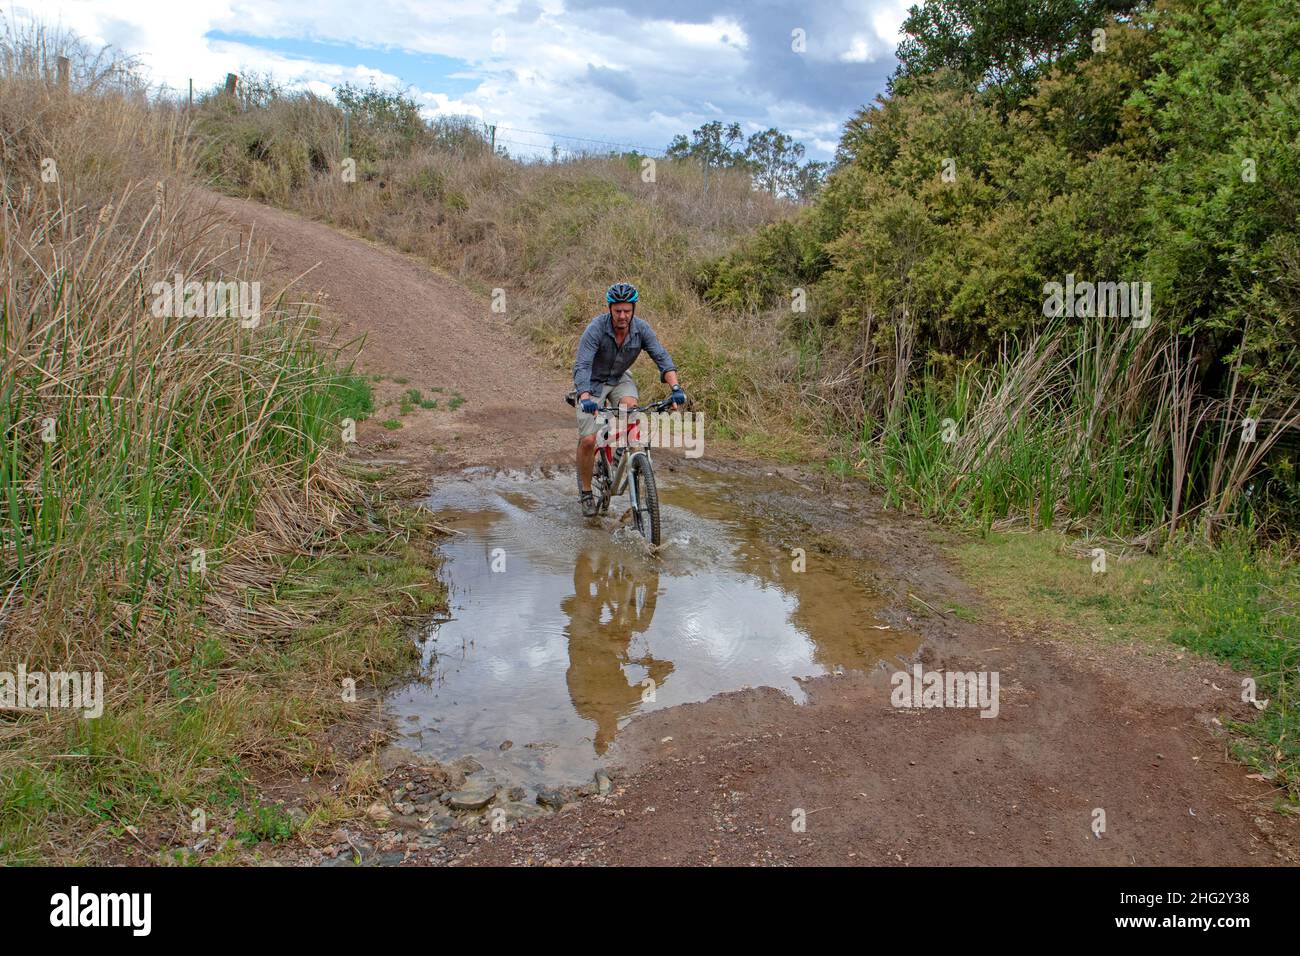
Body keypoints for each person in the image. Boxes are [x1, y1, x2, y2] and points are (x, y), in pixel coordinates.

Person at [572, 282, 685, 517]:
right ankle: (585, 492)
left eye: (627, 311)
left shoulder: (641, 329)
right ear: (610, 309)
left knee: (631, 412)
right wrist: (584, 396)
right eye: (618, 311)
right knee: (589, 439)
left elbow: (662, 357)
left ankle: (630, 462)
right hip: (592, 382)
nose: (622, 316)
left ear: (633, 309)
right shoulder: (596, 329)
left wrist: (675, 387)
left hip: (620, 378)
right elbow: (582, 365)